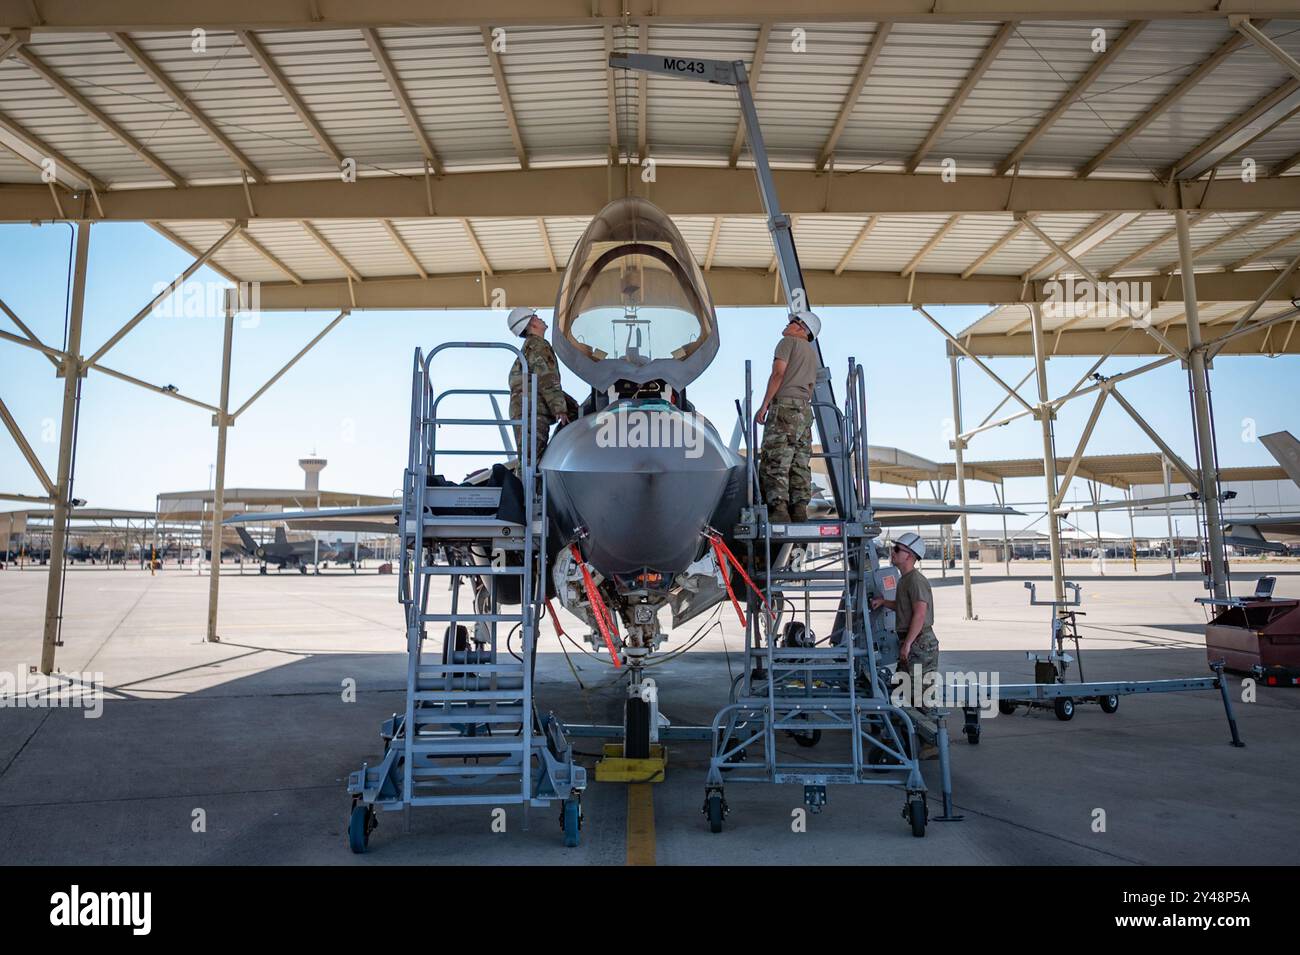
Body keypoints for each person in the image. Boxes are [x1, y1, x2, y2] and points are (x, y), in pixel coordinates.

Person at [870, 531, 940, 759]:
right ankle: (919, 740)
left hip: (919, 643)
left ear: (909, 555)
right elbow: (905, 607)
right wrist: (884, 602)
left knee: (920, 696)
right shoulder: (905, 580)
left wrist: (907, 643)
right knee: (906, 692)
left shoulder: (916, 581)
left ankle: (933, 744)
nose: (893, 552)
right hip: (913, 642)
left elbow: (920, 613)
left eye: (897, 549)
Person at [755, 310, 821, 523]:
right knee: (799, 461)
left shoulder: (787, 343)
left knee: (776, 458)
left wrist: (764, 405)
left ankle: (779, 510)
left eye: (792, 321)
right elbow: (811, 386)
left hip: (784, 406)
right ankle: (799, 509)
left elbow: (778, 374)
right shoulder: (812, 354)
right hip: (804, 411)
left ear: (801, 328)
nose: (787, 324)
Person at [507, 307, 574, 472]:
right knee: (531, 461)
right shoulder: (538, 346)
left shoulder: (531, 347)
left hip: (527, 410)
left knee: (530, 458)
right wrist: (560, 408)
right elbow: (547, 378)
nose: (540, 319)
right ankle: (526, 495)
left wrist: (570, 405)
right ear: (530, 323)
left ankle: (526, 492)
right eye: (535, 317)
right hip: (531, 412)